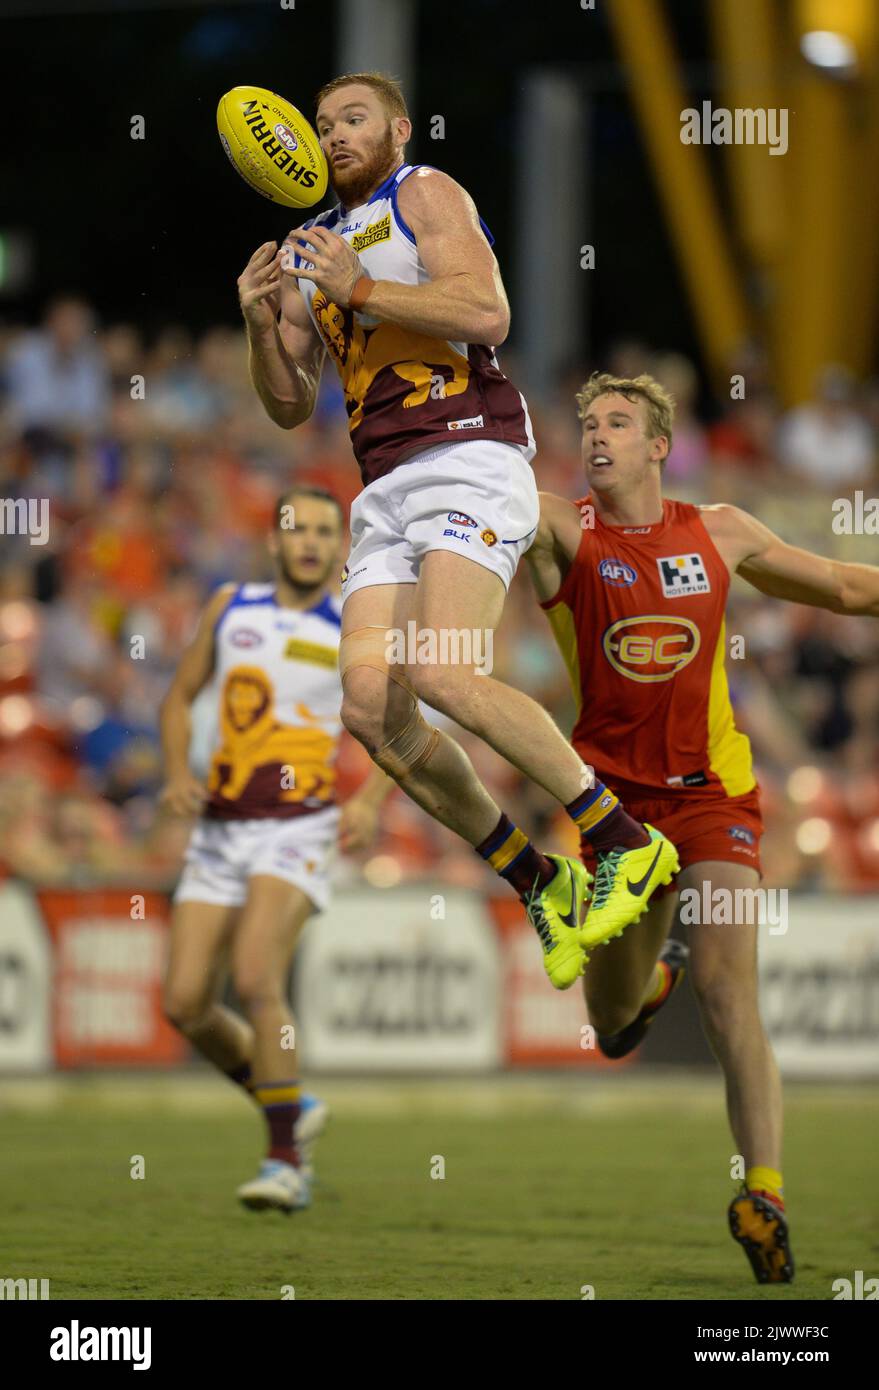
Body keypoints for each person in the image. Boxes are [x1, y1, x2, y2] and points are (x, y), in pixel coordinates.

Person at [238, 70, 678, 993]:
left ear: (398, 128)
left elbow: (486, 312)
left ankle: (622, 841)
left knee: (441, 671)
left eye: (353, 118)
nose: (333, 134)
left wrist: (358, 287)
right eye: (321, 125)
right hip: (384, 484)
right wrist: (257, 324)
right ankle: (539, 876)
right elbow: (288, 406)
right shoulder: (310, 246)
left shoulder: (423, 193)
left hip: (466, 458)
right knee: (368, 708)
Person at [527, 371, 879, 1283]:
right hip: (611, 818)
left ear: (657, 445)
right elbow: (484, 499)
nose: (595, 433)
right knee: (608, 1029)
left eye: (616, 421)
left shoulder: (717, 530)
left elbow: (843, 587)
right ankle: (644, 990)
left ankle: (762, 1194)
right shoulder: (560, 529)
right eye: (586, 421)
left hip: (711, 798)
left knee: (729, 994)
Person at [159, 487, 393, 1212]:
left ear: (338, 548)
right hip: (222, 825)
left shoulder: (350, 631)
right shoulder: (231, 607)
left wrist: (367, 800)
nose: (312, 542)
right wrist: (174, 774)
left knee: (258, 977)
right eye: (299, 529)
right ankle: (289, 1102)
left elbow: (398, 727)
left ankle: (285, 1160)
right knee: (186, 1002)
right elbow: (179, 697)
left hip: (298, 825)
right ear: (275, 540)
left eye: (327, 532)